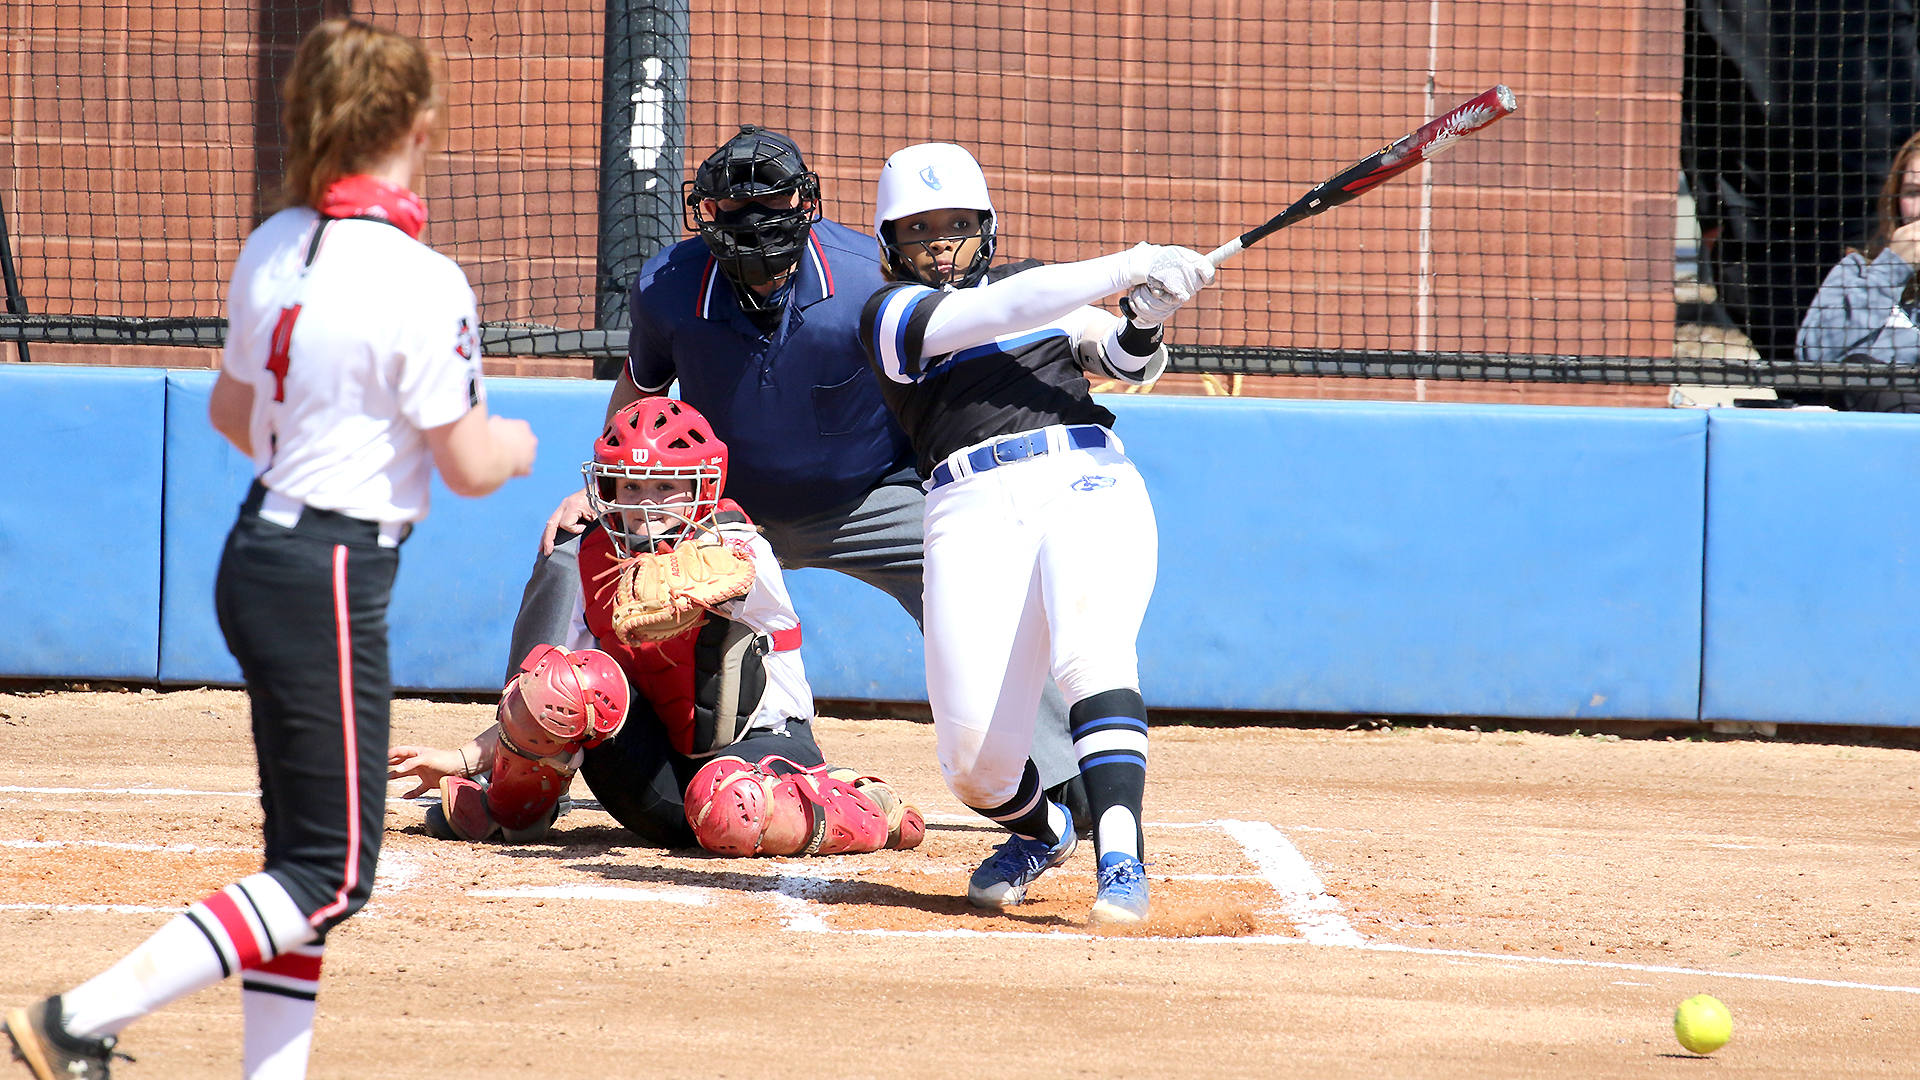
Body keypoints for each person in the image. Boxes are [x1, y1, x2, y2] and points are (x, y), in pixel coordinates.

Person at [3, 20, 538, 1080]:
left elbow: (232, 416)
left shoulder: (274, 241)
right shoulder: (424, 279)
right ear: (417, 127)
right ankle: (77, 1020)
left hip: (264, 551)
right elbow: (472, 465)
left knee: (301, 867)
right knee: (333, 876)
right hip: (328, 571)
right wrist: (518, 446)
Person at [508, 125, 1092, 832]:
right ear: (708, 213)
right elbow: (643, 384)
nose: (755, 221)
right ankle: (521, 761)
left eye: (773, 202)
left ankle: (1064, 779)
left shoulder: (866, 276)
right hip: (720, 508)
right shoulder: (668, 285)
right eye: (735, 208)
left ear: (803, 202)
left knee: (981, 589)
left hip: (874, 494)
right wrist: (605, 483)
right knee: (571, 552)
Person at [854, 142, 1216, 925]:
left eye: (955, 224)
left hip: (1081, 478)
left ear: (986, 226)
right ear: (890, 246)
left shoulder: (1038, 288)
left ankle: (1121, 857)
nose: (939, 242)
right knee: (976, 767)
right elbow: (1003, 312)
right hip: (965, 509)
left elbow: (1120, 359)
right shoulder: (889, 317)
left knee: (1090, 653)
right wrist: (1134, 262)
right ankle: (1048, 832)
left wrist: (1146, 320)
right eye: (917, 229)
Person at [388, 397, 925, 856]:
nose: (645, 505)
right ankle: (511, 809)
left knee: (730, 809)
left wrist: (686, 575)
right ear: (607, 488)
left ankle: (863, 807)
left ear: (700, 488)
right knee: (568, 679)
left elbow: (733, 562)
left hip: (757, 754)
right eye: (630, 486)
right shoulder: (592, 558)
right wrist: (463, 757)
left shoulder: (741, 548)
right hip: (656, 778)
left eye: (666, 487)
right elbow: (544, 700)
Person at [1796, 129, 1920, 412]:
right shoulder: (1856, 273)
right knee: (1859, 371)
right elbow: (1815, 362)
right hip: (1877, 436)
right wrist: (1891, 270)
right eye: (1914, 192)